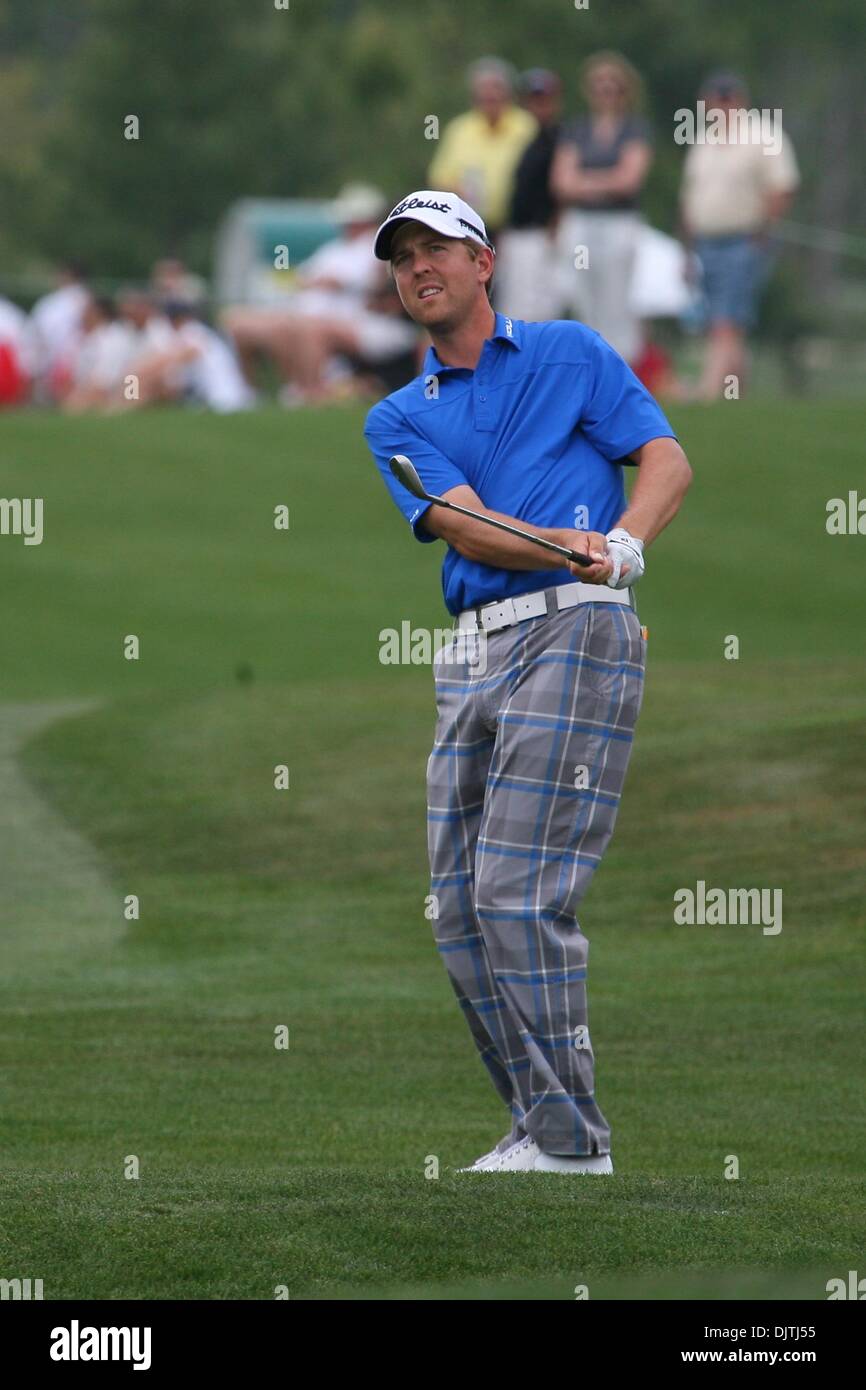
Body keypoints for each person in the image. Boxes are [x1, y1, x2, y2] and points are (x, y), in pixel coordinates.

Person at [363, 191, 691, 1174]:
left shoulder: (570, 352)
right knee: (457, 911)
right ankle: (537, 1126)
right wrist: (571, 539)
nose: (417, 267)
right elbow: (461, 524)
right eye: (401, 257)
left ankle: (569, 1143)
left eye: (436, 249)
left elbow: (665, 458)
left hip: (576, 625)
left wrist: (625, 543)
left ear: (482, 262)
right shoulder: (395, 414)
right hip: (471, 646)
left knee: (514, 894)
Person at [223, 184, 417, 403]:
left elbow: (354, 283)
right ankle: (251, 394)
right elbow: (302, 280)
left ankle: (311, 392)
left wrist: (324, 284)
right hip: (304, 313)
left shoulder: (376, 246)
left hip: (351, 320)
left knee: (306, 326)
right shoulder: (333, 249)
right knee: (238, 322)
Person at [679, 71, 800, 400]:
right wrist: (687, 250)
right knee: (722, 319)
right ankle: (735, 394)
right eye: (715, 99)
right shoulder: (703, 142)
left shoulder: (763, 134)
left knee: (726, 317)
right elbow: (690, 196)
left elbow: (783, 186)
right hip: (706, 242)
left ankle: (708, 390)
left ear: (740, 101)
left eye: (728, 98)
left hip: (744, 240)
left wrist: (762, 229)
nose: (722, 105)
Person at [549, 51, 653, 363]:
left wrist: (586, 182)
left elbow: (630, 180)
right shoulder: (577, 130)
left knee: (616, 297)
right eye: (599, 86)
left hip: (618, 222)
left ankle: (621, 363)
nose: (605, 93)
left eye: (612, 86)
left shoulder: (634, 129)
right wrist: (605, 181)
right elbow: (561, 182)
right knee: (583, 295)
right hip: (582, 222)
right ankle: (588, 363)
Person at [427, 58, 537, 237]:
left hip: (520, 227)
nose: (490, 94)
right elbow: (439, 178)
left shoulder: (527, 126)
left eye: (496, 87)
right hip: (470, 225)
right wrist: (458, 191)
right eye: (483, 89)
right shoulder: (459, 129)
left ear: (508, 92)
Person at [494, 68, 563, 321]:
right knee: (514, 304)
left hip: (541, 231)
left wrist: (557, 223)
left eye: (543, 99)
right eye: (532, 99)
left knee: (540, 306)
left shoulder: (558, 137)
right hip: (516, 230)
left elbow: (559, 188)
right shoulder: (521, 137)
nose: (537, 106)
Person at [63, 295, 137, 413]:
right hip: (92, 392)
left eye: (86, 309)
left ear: (97, 312)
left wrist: (76, 403)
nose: (82, 314)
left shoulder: (114, 338)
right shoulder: (89, 338)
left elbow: (103, 380)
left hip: (115, 395)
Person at [28, 261, 90, 401]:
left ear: (65, 276)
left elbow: (36, 335)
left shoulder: (52, 303)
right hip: (83, 360)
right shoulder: (90, 299)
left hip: (58, 362)